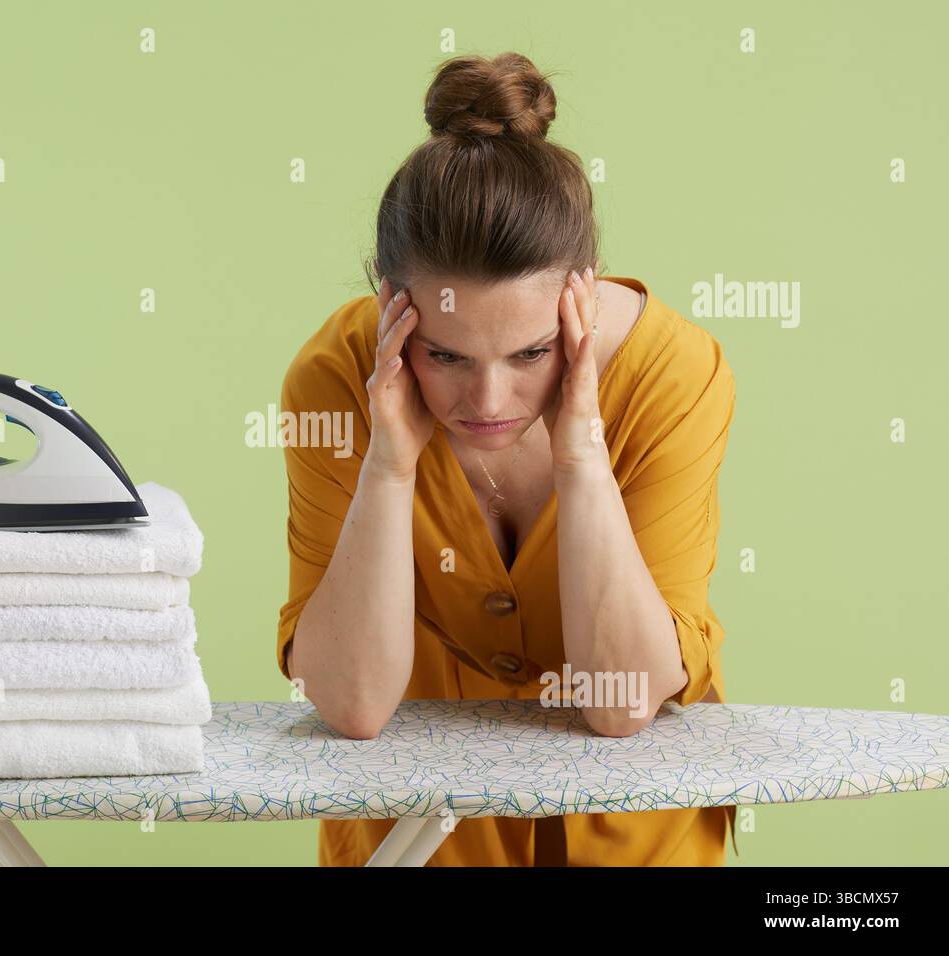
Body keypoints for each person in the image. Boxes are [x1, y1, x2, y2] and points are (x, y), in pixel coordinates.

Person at [275, 51, 738, 866]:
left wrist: (584, 457)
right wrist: (387, 469)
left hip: (638, 838)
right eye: (447, 357)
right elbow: (349, 704)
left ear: (581, 300)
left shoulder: (675, 375)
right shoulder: (334, 380)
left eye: (531, 353)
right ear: (391, 305)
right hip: (418, 838)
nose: (489, 403)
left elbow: (626, 701)